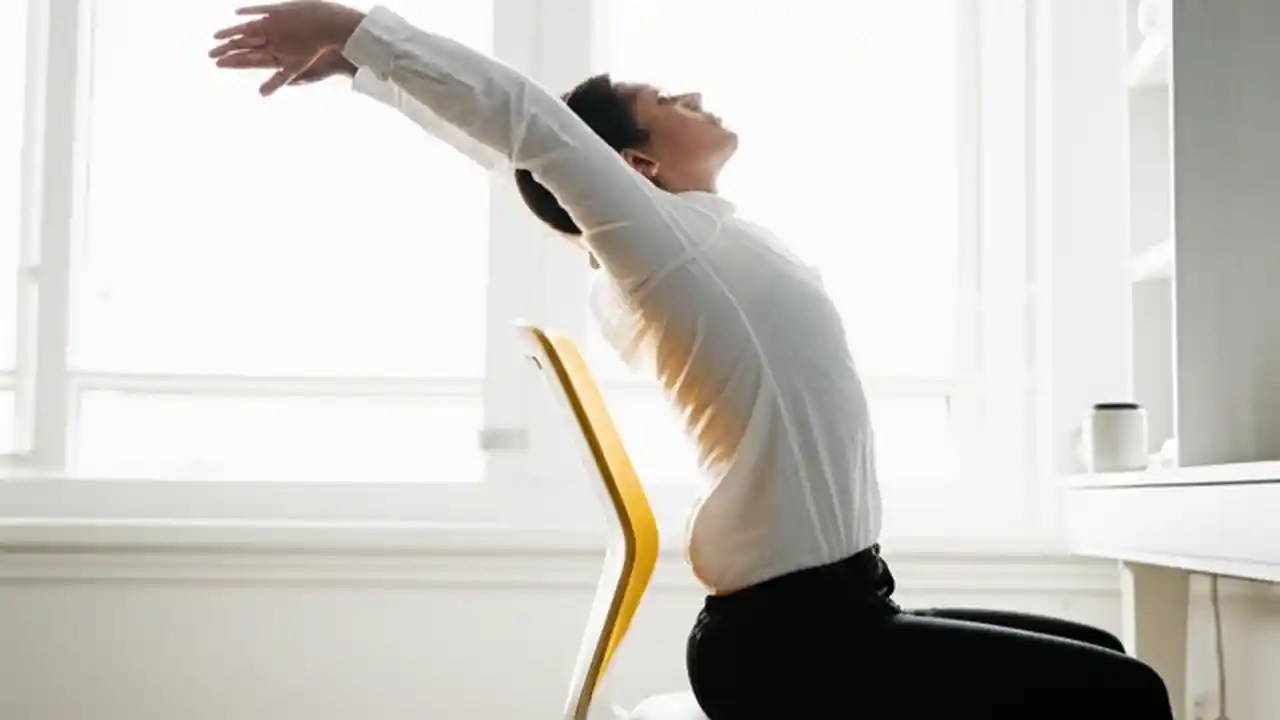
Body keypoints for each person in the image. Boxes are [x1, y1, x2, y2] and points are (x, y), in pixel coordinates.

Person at [210, 3, 1175, 718]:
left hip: (849, 611)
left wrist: (366, 76)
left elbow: (514, 159)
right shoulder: (667, 255)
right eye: (663, 100)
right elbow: (533, 130)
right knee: (1124, 695)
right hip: (794, 649)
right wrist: (360, 27)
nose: (693, 96)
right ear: (635, 171)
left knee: (1098, 652)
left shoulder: (686, 249)